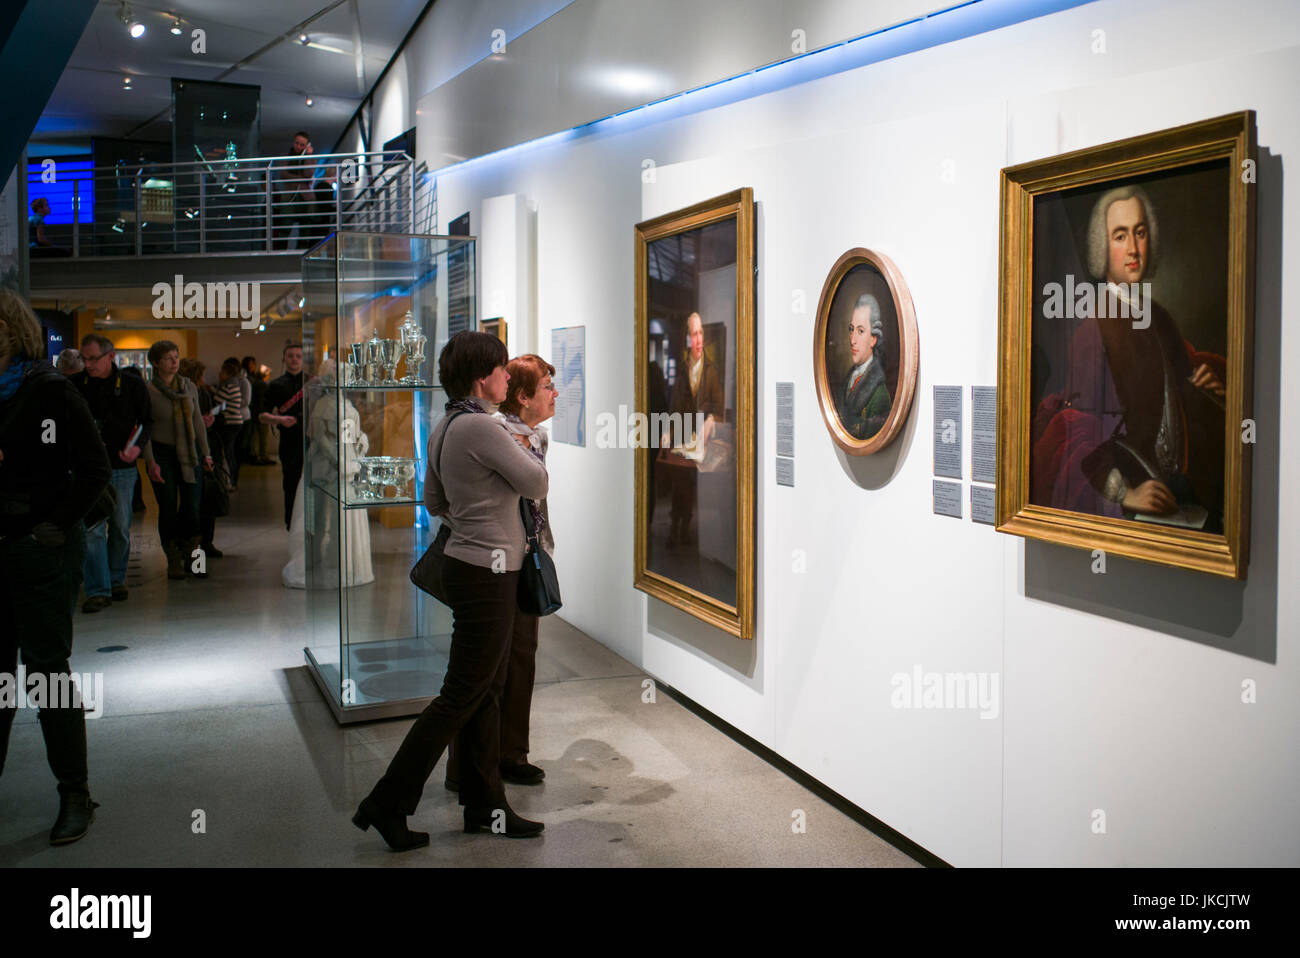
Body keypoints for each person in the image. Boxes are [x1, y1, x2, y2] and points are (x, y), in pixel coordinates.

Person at [354, 331, 549, 850]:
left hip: (469, 563)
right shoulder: (483, 428)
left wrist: (474, 511)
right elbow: (537, 483)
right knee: (460, 696)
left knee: (482, 692)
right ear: (483, 377)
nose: (509, 378)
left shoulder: (445, 426)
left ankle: (486, 805)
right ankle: (386, 801)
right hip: (489, 571)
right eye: (503, 370)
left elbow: (433, 500)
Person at [1031, 184, 1227, 531]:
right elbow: (1079, 431)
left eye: (1140, 232)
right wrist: (1126, 492)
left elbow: (1180, 373)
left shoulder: (1157, 315)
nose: (1134, 248)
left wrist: (1204, 381)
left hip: (1175, 486)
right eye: (1120, 236)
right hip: (1134, 498)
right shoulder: (1094, 328)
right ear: (1101, 248)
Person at [0, 287, 110, 845]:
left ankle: (75, 793)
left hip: (39, 551)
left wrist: (54, 526)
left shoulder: (49, 392)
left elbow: (95, 470)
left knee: (47, 676)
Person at [446, 353, 558, 792]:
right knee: (483, 671)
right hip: (492, 562)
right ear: (523, 396)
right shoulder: (493, 434)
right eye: (547, 385)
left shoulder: (538, 436)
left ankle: (512, 753)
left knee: (521, 657)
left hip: (525, 557)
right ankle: (470, 767)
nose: (554, 393)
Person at [74, 334, 152, 611]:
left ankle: (116, 579)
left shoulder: (131, 384)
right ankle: (98, 589)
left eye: (93, 359)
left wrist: (137, 448)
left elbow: (146, 421)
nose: (88, 365)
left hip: (122, 468)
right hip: (88, 471)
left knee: (120, 528)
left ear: (110, 356)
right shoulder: (76, 385)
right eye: (84, 359)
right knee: (92, 531)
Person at [141, 341, 212, 580]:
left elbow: (198, 423)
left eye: (176, 356)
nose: (174, 362)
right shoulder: (148, 390)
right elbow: (146, 429)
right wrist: (150, 461)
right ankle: (173, 558)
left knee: (193, 507)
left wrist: (207, 453)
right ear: (156, 363)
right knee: (168, 507)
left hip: (190, 452)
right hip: (162, 453)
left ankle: (193, 556)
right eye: (168, 358)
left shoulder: (189, 386)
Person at [666, 311, 723, 546]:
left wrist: (712, 419)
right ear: (688, 338)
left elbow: (719, 407)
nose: (698, 339)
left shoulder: (711, 371)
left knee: (689, 487)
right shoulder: (682, 369)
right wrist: (668, 430)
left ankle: (684, 526)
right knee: (679, 486)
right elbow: (674, 404)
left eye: (700, 333)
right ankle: (676, 525)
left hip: (700, 443)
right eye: (693, 334)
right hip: (681, 440)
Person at [180, 358, 227, 562]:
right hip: (202, 450)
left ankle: (197, 545)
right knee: (202, 499)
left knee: (197, 499)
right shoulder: (198, 393)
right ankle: (200, 544)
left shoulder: (199, 392)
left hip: (202, 449)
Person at [261, 342, 306, 529]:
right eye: (290, 356)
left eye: (298, 356)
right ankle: (292, 524)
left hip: (312, 441)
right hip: (289, 442)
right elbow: (262, 415)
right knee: (291, 485)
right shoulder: (275, 385)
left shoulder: (313, 383)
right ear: (284, 359)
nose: (294, 359)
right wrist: (279, 420)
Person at [836, 293, 892, 439]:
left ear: (873, 339)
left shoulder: (880, 394)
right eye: (851, 329)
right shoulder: (848, 380)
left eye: (860, 331)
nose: (852, 340)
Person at [214, 358, 246, 491]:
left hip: (229, 423)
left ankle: (229, 481)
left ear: (227, 374)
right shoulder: (235, 385)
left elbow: (218, 402)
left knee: (227, 453)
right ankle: (232, 481)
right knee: (230, 452)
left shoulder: (228, 386)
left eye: (221, 372)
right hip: (236, 422)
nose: (219, 374)